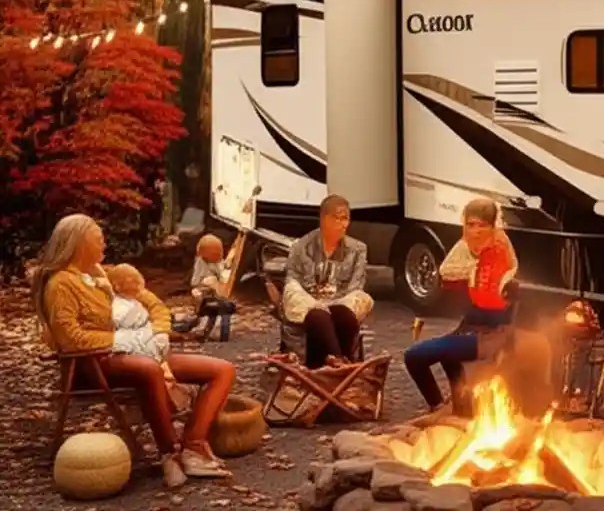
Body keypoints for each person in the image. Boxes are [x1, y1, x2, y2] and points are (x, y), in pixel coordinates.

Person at [30, 214, 236, 488]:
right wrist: (129, 338)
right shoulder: (60, 284)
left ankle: (193, 445)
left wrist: (159, 332)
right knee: (149, 369)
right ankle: (169, 453)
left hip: (139, 352)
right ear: (79, 243)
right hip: (92, 365)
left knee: (222, 370)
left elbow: (154, 304)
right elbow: (71, 340)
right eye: (98, 239)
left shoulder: (103, 274)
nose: (104, 244)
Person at [403, 198, 520, 416]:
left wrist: (474, 273)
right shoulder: (464, 248)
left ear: (494, 226)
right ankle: (453, 408)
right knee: (437, 354)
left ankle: (442, 408)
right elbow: (447, 272)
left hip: (492, 335)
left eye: (482, 225)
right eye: (470, 224)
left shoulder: (500, 252)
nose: (475, 231)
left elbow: (496, 293)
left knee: (415, 356)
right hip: (468, 328)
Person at [281, 195, 374, 369]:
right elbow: (293, 281)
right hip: (309, 302)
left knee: (349, 309)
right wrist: (317, 304)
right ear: (324, 219)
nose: (343, 224)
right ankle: (340, 361)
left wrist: (333, 304)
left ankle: (337, 360)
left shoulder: (358, 249)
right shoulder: (301, 246)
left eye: (346, 218)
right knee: (313, 311)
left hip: (341, 301)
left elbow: (356, 286)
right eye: (338, 218)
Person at [105, 264, 191, 412]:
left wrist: (160, 330)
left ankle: (168, 394)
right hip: (125, 346)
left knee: (159, 356)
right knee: (153, 364)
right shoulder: (114, 302)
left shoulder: (137, 295)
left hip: (148, 335)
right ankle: (163, 402)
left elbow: (157, 307)